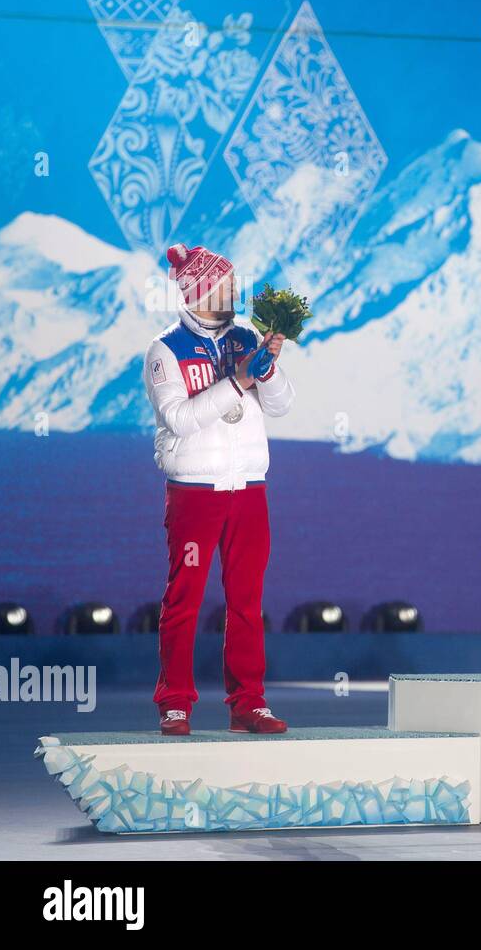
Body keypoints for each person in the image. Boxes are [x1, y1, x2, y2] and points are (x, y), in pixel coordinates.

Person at [144, 243, 294, 735]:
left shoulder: (248, 336)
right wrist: (238, 380)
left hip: (249, 489)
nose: (234, 290)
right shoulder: (165, 350)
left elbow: (280, 405)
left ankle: (248, 702)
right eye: (226, 284)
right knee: (184, 597)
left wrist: (266, 369)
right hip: (195, 493)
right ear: (201, 289)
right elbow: (179, 419)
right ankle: (176, 703)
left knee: (247, 600)